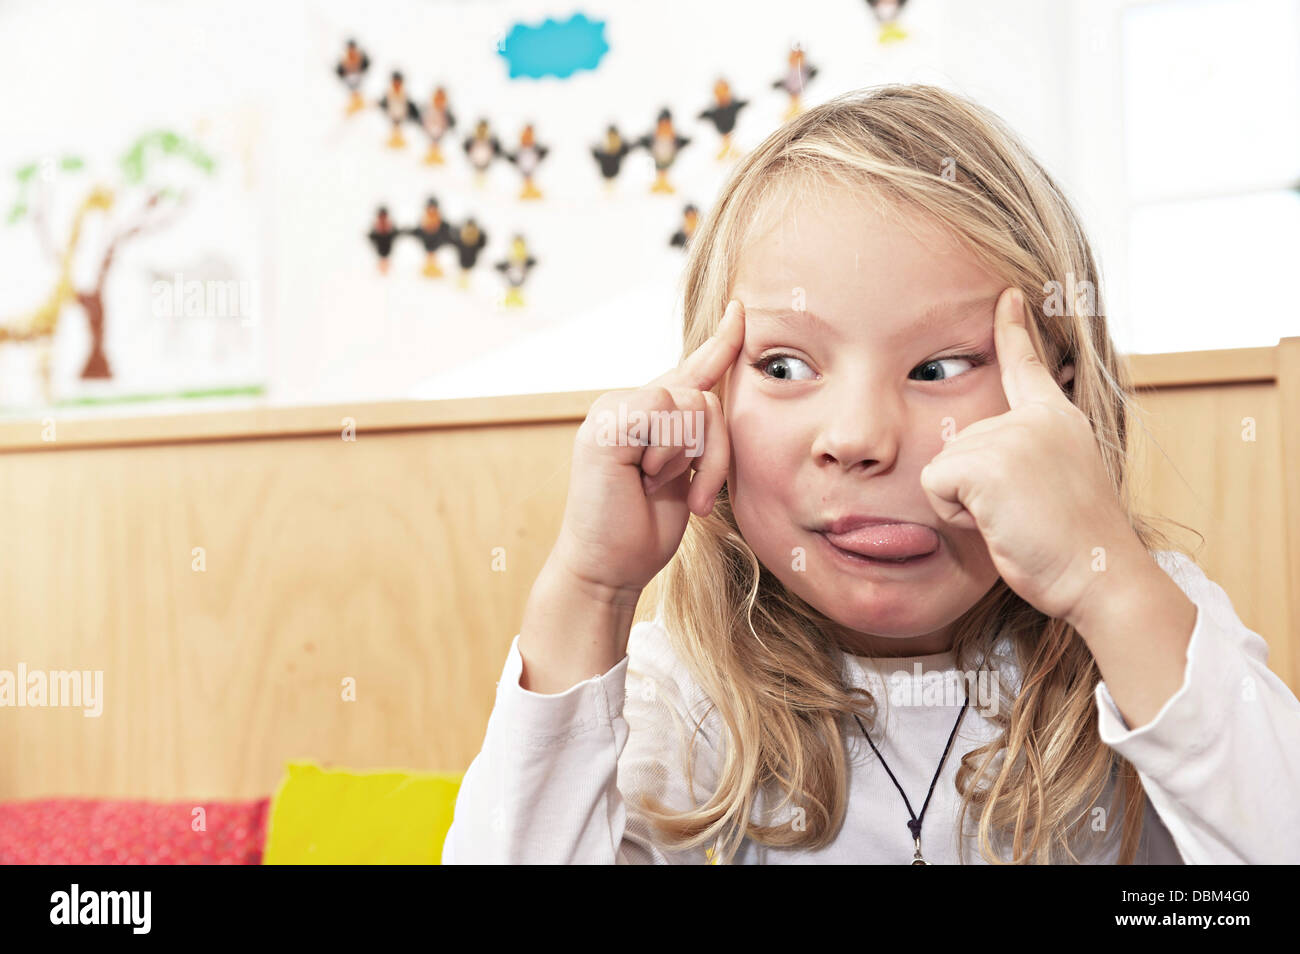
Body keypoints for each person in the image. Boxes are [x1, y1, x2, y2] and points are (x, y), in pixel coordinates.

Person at [442, 84, 1300, 864]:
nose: (857, 439)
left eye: (938, 369)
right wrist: (588, 590)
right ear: (705, 402)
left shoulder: (1151, 624)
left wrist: (1110, 589)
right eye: (783, 367)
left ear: (1062, 400)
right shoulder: (689, 689)